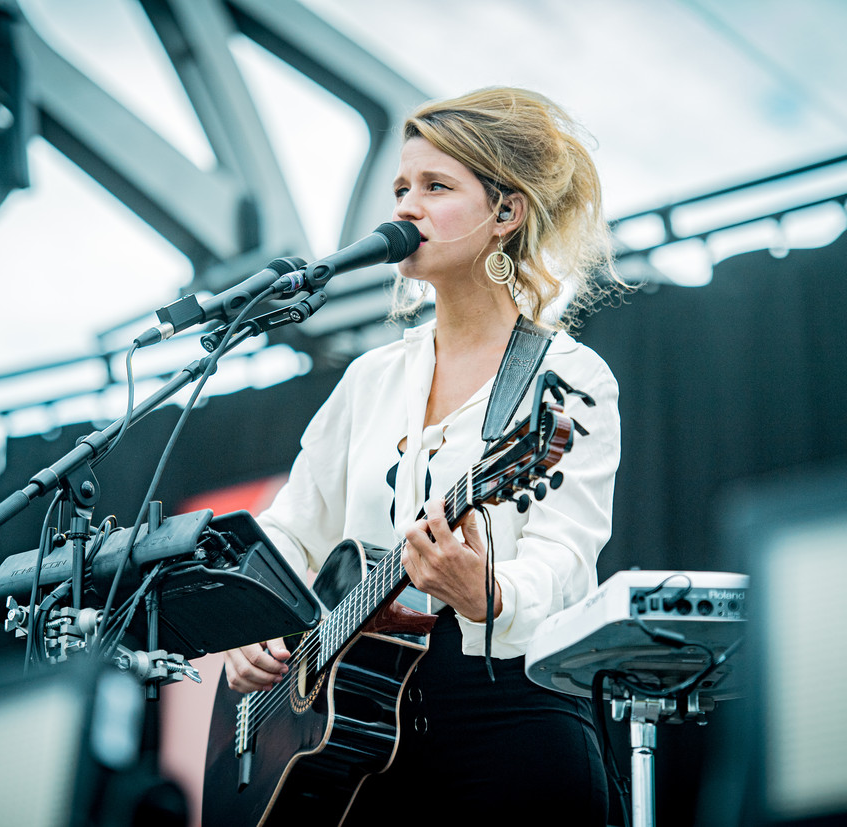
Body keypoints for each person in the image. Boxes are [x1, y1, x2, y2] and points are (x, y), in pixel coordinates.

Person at [220, 86, 625, 825]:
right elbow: (286, 529)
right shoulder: (371, 378)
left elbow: (565, 556)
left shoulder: (570, 378)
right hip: (367, 748)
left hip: (515, 725)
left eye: (436, 187)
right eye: (402, 187)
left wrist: (489, 593)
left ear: (507, 213)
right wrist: (254, 624)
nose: (406, 206)